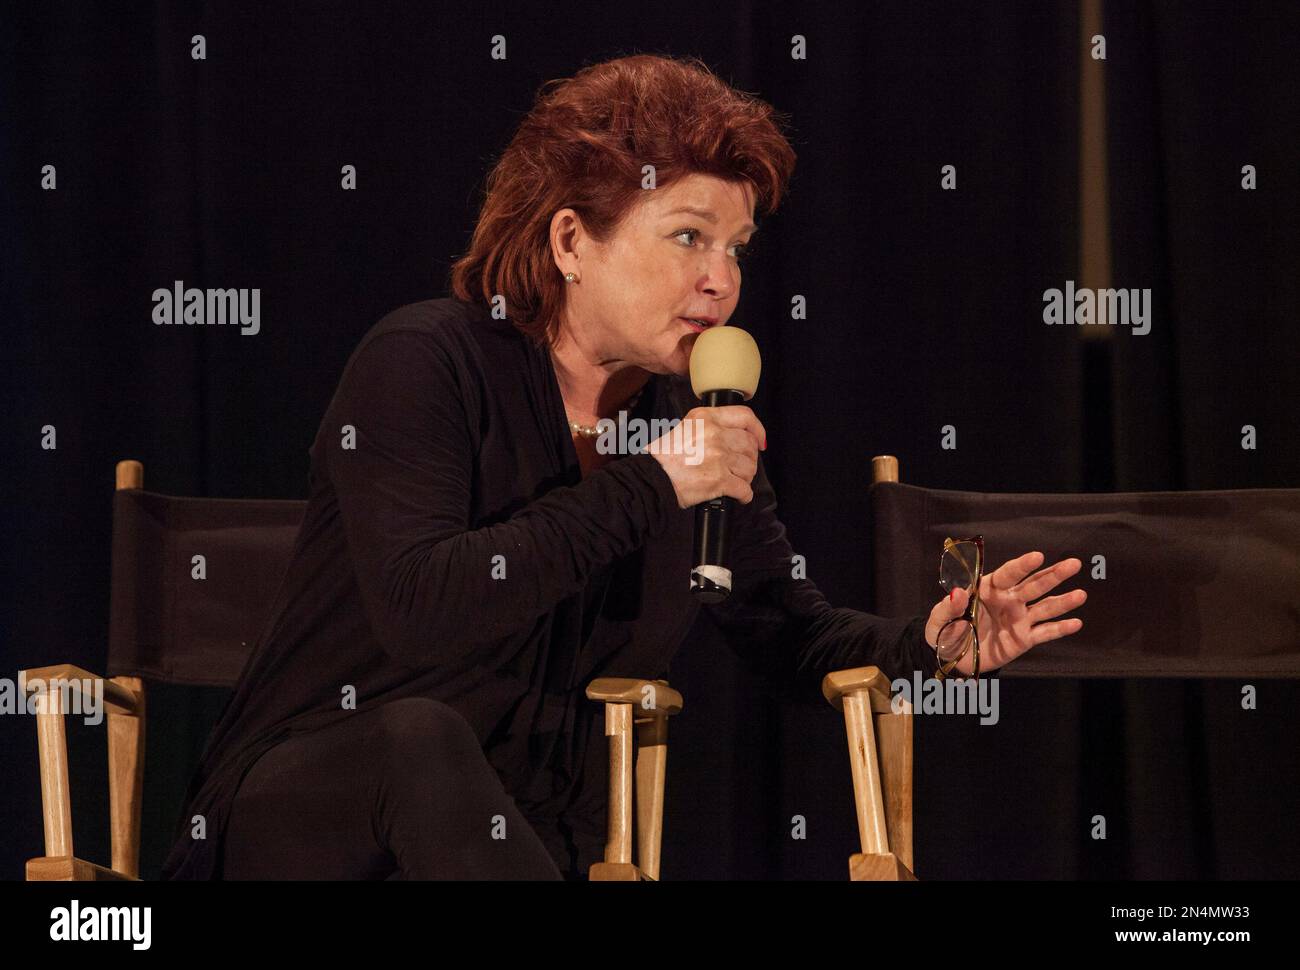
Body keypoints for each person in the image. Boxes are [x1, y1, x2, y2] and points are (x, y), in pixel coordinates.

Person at [161, 53, 1086, 881]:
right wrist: (653, 484)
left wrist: (931, 648)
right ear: (571, 242)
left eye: (735, 250)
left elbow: (785, 634)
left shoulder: (691, 428)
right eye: (688, 237)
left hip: (519, 843)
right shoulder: (425, 363)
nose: (720, 281)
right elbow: (423, 607)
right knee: (417, 740)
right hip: (301, 825)